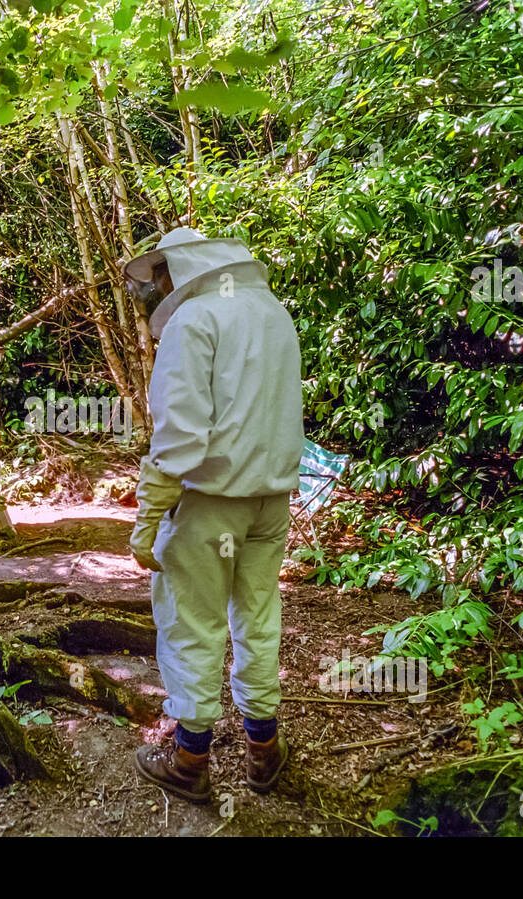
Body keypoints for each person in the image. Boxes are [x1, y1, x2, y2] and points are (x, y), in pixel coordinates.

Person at [122, 226, 304, 803]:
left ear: (182, 267)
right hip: (270, 503)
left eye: (162, 275)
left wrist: (148, 515)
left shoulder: (194, 320)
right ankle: (264, 752)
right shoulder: (273, 313)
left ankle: (188, 761)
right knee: (257, 615)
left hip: (208, 507)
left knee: (191, 623)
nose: (159, 288)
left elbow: (179, 435)